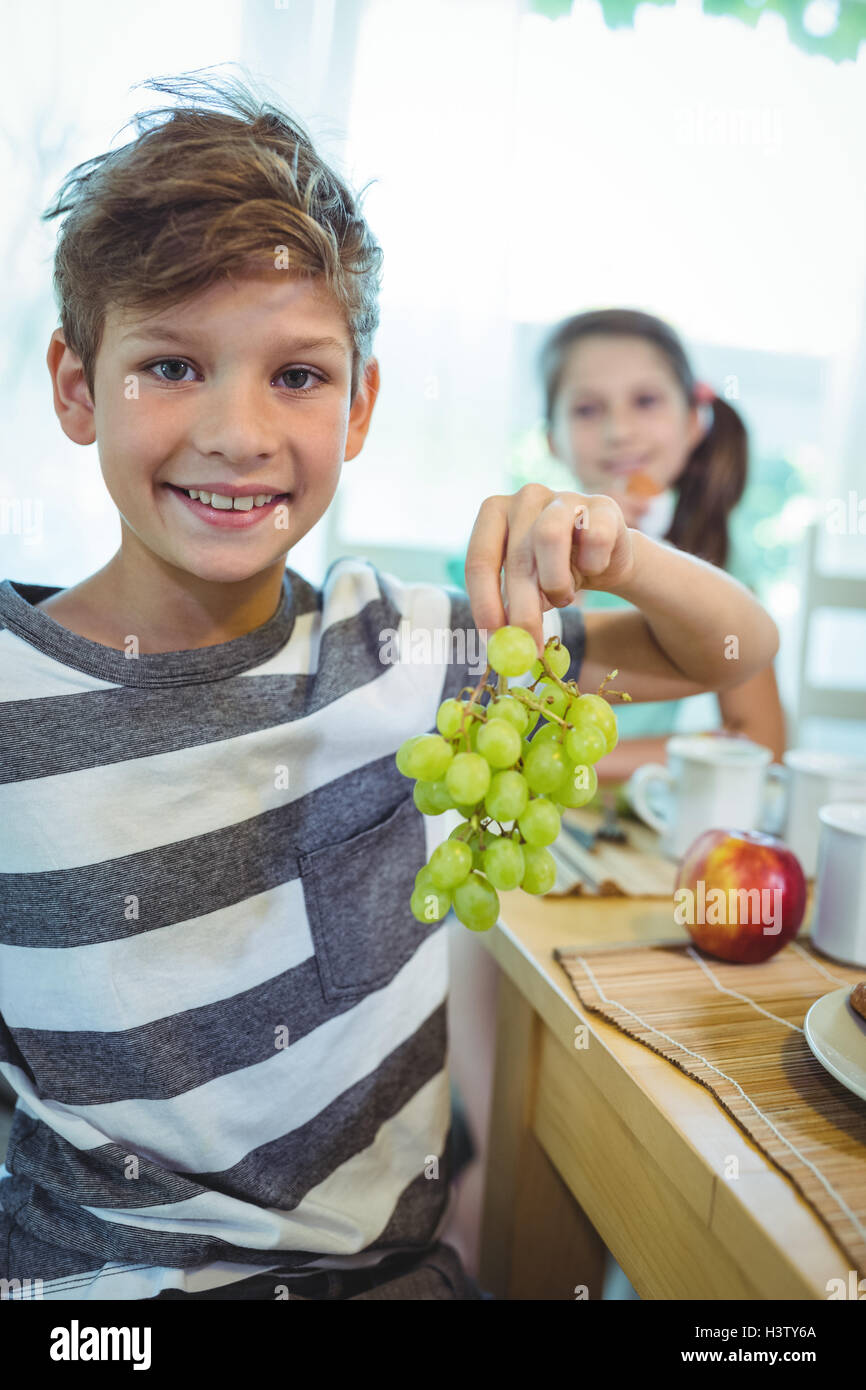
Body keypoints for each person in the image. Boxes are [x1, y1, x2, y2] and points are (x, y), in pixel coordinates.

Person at [0, 71, 779, 1302]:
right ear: (76, 385)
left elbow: (724, 653)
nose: (239, 432)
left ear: (359, 403)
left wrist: (616, 549)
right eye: (171, 366)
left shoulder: (399, 645)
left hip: (380, 1276)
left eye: (296, 377)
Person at [539, 309, 786, 784]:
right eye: (587, 409)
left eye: (646, 401)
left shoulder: (717, 562)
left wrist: (567, 764)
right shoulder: (514, 547)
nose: (619, 431)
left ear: (695, 422)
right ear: (552, 438)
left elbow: (760, 739)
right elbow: (506, 688)